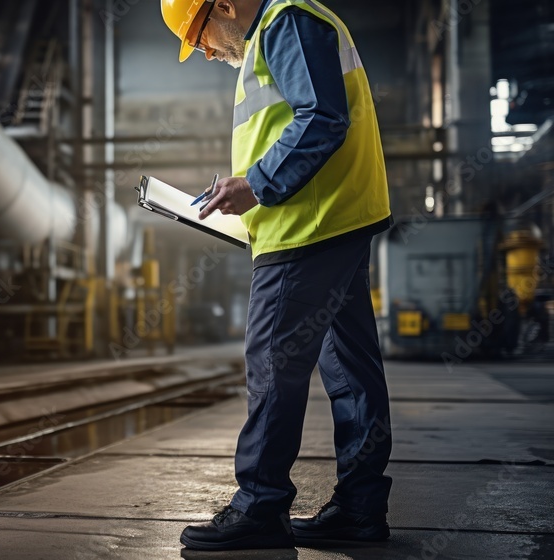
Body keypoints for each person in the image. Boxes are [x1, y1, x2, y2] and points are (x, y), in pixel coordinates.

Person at [160, 0, 394, 551]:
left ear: (222, 7)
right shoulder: (288, 25)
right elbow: (300, 119)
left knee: (272, 365)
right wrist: (249, 185)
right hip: (332, 218)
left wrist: (256, 183)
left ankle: (260, 505)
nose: (208, 51)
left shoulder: (284, 21)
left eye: (202, 37)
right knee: (350, 371)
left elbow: (322, 116)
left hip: (306, 228)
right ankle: (360, 508)